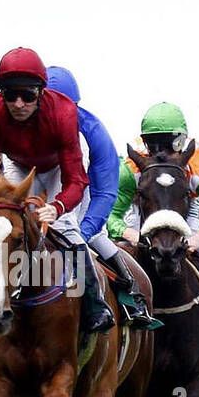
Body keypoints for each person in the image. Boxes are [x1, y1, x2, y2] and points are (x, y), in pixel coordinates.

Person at [0, 47, 117, 337]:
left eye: (27, 95)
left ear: (41, 92)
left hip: (56, 171)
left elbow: (76, 180)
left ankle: (94, 304)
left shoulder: (64, 113)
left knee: (65, 227)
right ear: (0, 94)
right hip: (16, 166)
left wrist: (60, 207)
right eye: (10, 94)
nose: (18, 103)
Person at [45, 66, 157, 328]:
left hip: (83, 202)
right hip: (39, 201)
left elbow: (105, 193)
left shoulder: (94, 134)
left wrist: (82, 232)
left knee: (96, 237)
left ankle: (131, 293)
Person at [107, 102, 199, 269]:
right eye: (155, 144)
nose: (162, 152)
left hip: (185, 210)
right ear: (145, 143)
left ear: (181, 142)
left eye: (171, 144)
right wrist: (131, 234)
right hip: (143, 211)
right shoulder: (130, 169)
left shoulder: (197, 165)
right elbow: (109, 213)